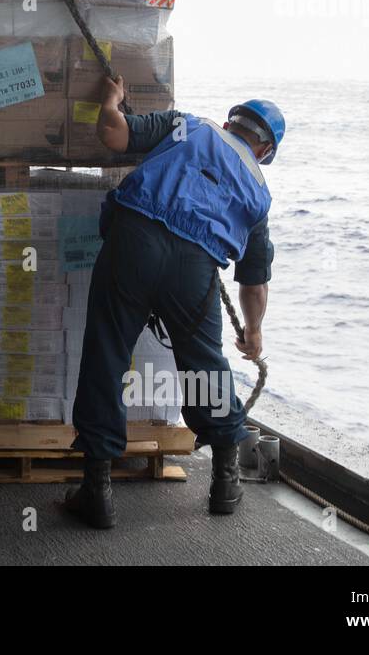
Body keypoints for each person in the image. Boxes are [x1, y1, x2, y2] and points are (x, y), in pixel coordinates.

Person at [64, 74, 285, 529]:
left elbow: (114, 134)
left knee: (107, 356)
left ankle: (97, 491)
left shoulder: (192, 126)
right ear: (264, 151)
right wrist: (254, 330)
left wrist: (111, 99)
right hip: (195, 271)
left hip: (134, 241)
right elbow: (254, 282)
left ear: (230, 123)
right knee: (205, 366)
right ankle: (225, 483)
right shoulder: (259, 193)